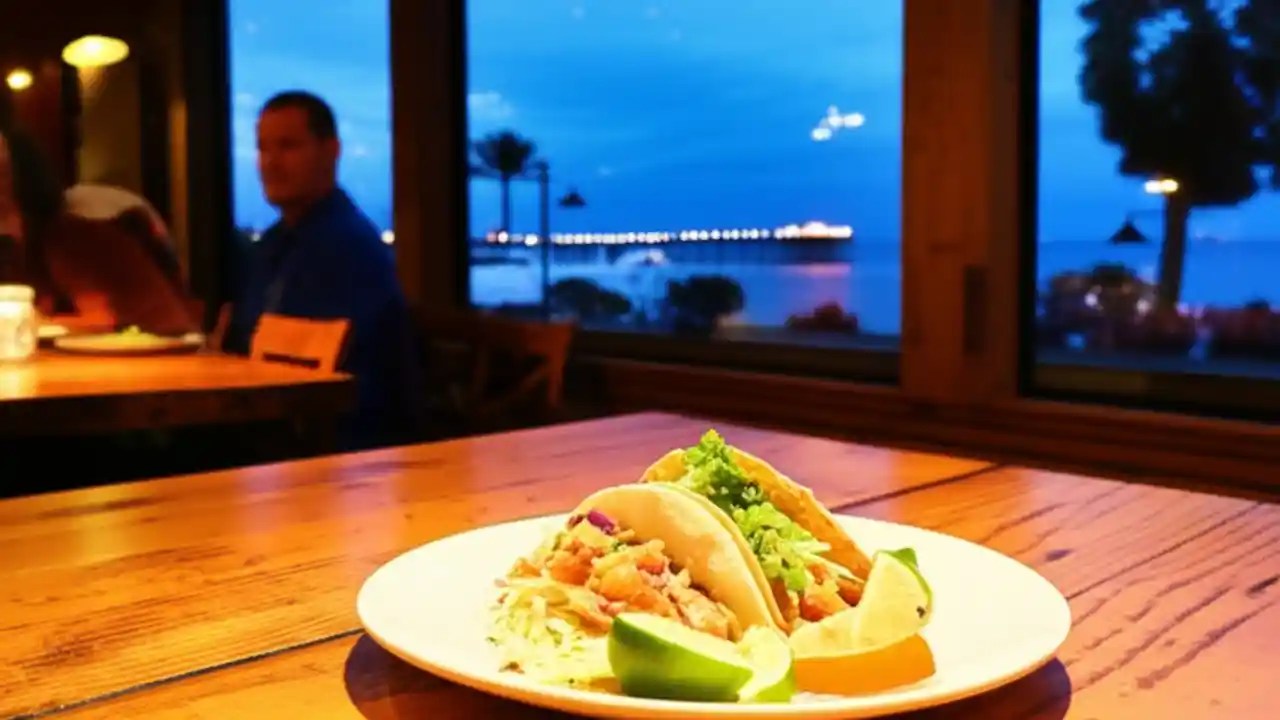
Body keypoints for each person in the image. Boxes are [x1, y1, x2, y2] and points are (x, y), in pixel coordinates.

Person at [224, 91, 421, 449]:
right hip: (282, 431)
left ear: (331, 151)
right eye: (263, 148)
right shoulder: (275, 244)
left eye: (288, 146)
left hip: (339, 451)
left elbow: (314, 379)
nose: (271, 162)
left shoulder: (347, 248)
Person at [0, 123, 196, 333]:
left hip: (167, 353)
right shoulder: (18, 249)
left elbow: (100, 319)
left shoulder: (70, 239)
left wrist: (30, 326)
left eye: (3, 175)